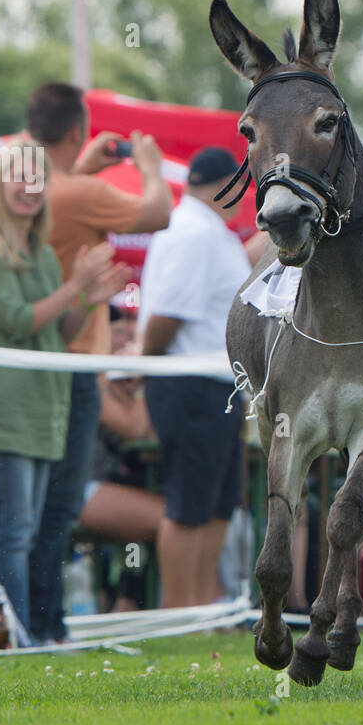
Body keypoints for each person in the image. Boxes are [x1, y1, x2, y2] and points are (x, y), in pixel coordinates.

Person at [24, 82, 171, 643]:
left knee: (41, 503)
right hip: (75, 359)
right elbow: (158, 213)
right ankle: (45, 626)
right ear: (76, 131)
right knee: (57, 504)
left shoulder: (39, 185)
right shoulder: (74, 194)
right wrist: (150, 166)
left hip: (46, 355)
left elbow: (65, 196)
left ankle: (37, 622)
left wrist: (85, 165)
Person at [0, 140, 128, 636]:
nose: (29, 189)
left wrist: (87, 297)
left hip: (45, 406)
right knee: (10, 534)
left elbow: (58, 332)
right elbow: (17, 322)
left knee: (29, 531)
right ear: (0, 185)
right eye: (20, 177)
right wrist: (73, 283)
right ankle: (10, 635)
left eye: (37, 180)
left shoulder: (40, 252)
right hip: (7, 406)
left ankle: (21, 631)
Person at [139, 148, 251, 608]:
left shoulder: (208, 231)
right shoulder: (192, 232)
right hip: (189, 383)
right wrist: (147, 366)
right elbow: (167, 316)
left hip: (215, 385)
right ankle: (178, 612)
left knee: (217, 504)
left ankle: (199, 610)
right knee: (188, 505)